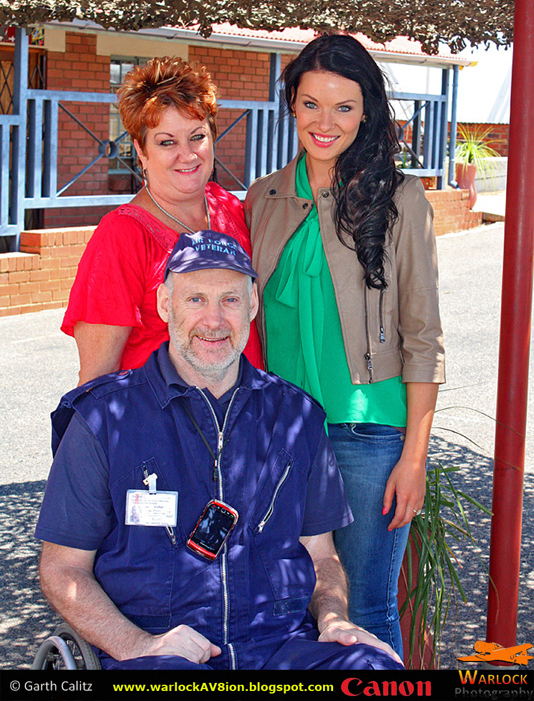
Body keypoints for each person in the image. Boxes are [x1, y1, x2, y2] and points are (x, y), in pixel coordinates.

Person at [36, 231, 403, 672]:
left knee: (376, 673)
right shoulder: (103, 418)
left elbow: (321, 554)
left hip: (279, 647)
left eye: (229, 300)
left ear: (252, 306)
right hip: (160, 653)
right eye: (195, 300)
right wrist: (136, 645)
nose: (213, 320)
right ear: (165, 305)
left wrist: (332, 617)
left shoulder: (297, 416)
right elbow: (62, 569)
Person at [244, 33, 445, 657]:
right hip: (280, 435)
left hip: (370, 435)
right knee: (295, 599)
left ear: (368, 112)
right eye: (311, 105)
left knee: (366, 604)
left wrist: (414, 457)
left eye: (344, 107)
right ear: (292, 107)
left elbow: (424, 337)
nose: (324, 123)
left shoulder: (403, 201)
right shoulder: (264, 198)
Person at [61, 56, 262, 384]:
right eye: (167, 142)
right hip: (161, 429)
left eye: (197, 136)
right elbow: (96, 379)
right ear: (141, 150)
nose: (187, 154)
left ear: (213, 137)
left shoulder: (231, 209)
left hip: (245, 423)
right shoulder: (122, 235)